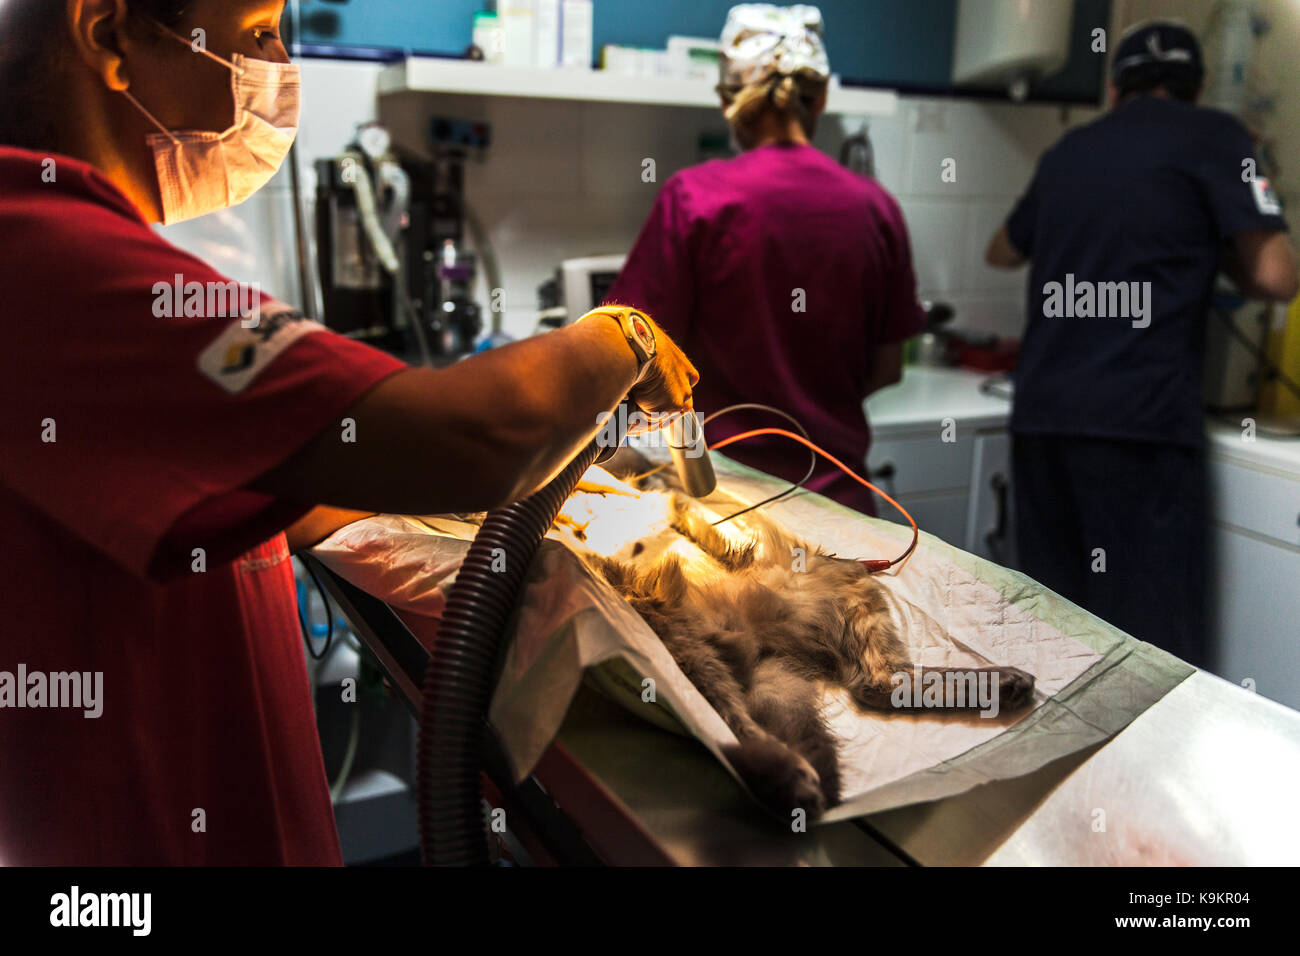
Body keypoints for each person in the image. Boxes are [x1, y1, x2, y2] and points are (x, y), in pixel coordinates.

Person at [0, 0, 697, 865]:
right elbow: (479, 436)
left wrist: (454, 511)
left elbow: (258, 491)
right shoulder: (38, 255)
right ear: (108, 34)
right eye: (257, 31)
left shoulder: (77, 246)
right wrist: (622, 336)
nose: (279, 67)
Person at [985, 21, 1298, 668]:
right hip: (1139, 427)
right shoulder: (1219, 136)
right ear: (1197, 87)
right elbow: (1276, 277)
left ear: (1114, 88)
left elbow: (1002, 251)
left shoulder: (1070, 150)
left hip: (1043, 419)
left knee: (1048, 631)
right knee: (1144, 650)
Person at [607, 3, 925, 516]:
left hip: (725, 507)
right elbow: (889, 367)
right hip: (844, 511)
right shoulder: (877, 208)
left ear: (727, 101)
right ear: (821, 98)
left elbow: (631, 350)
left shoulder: (696, 197)